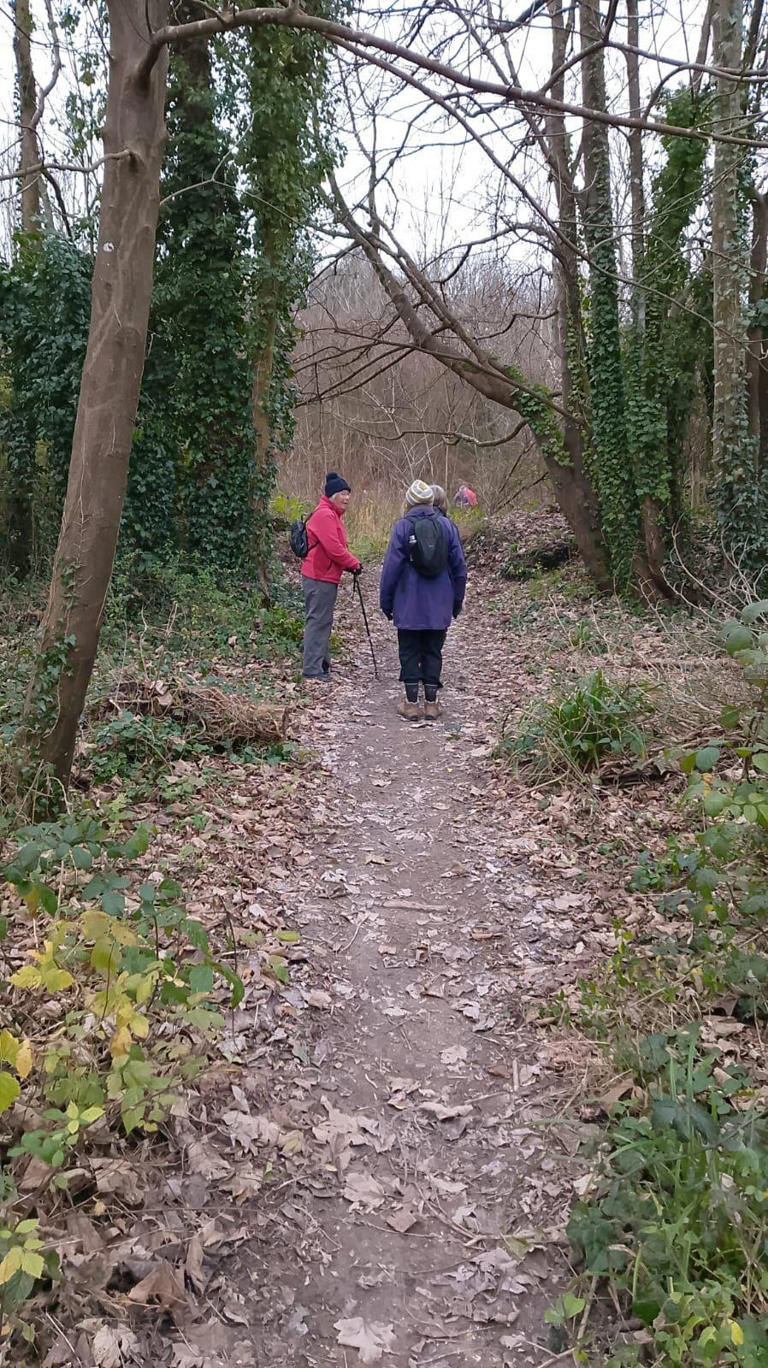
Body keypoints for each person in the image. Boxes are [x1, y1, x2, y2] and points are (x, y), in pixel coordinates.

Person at [379, 479, 467, 721]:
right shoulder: (448, 527)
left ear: (409, 502)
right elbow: (459, 569)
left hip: (408, 603)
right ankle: (431, 703)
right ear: (430, 501)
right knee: (433, 650)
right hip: (439, 603)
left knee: (408, 651)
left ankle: (410, 703)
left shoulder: (402, 527)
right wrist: (456, 602)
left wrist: (386, 602)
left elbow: (390, 569)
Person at [301, 472, 361, 682]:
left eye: (348, 494)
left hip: (324, 576)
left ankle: (321, 664)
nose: (346, 498)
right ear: (332, 495)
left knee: (323, 621)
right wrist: (353, 563)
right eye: (343, 494)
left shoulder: (330, 514)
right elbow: (334, 549)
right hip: (319, 577)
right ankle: (312, 669)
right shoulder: (325, 515)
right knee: (318, 621)